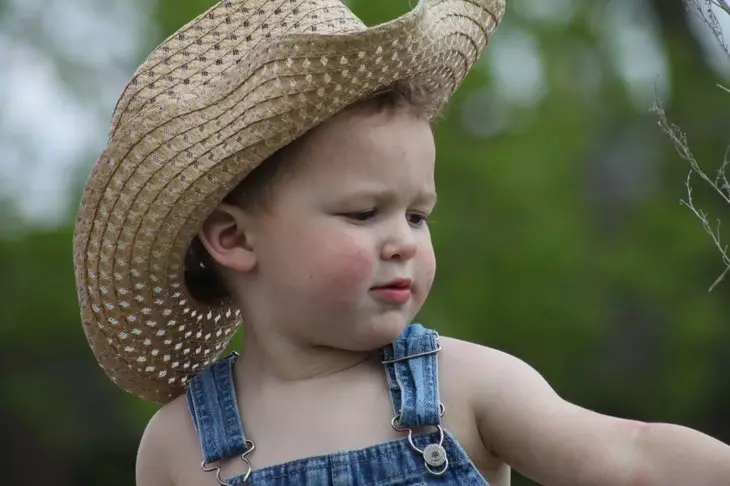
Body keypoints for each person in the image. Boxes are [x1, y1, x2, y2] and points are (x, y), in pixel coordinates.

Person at [72, 0, 730, 484]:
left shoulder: (465, 385)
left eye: (418, 217)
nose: (402, 242)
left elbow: (633, 457)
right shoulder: (179, 445)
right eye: (364, 214)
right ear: (233, 237)